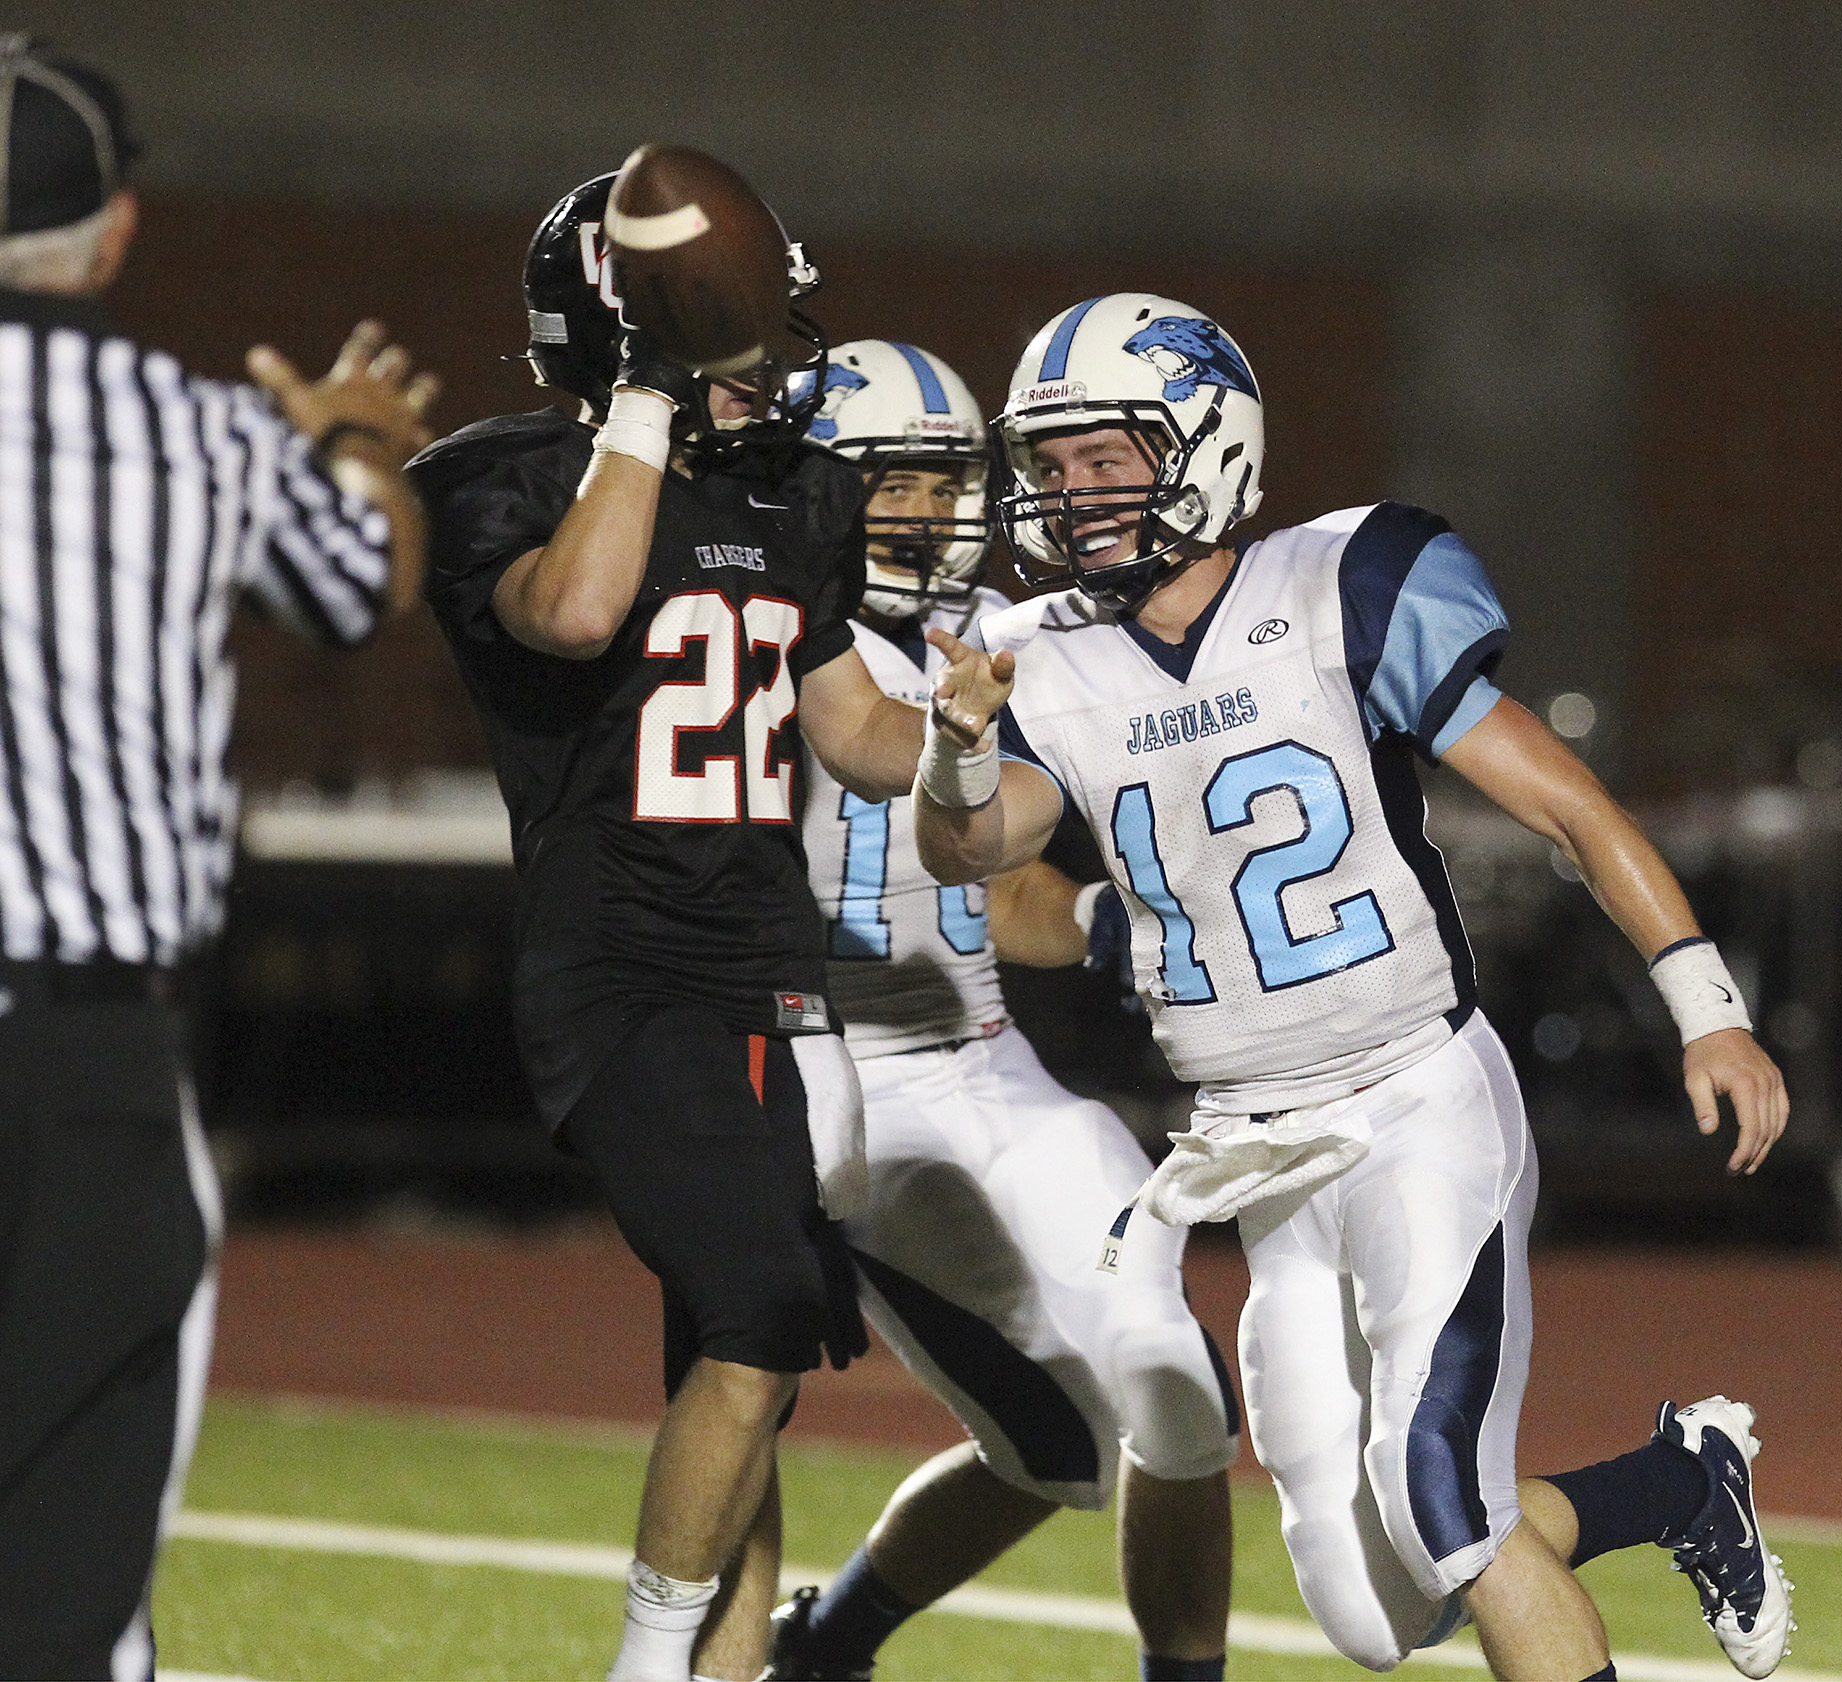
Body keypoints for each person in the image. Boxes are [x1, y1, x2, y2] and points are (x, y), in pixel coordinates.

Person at [911, 293, 1797, 1682]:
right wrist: (958, 754)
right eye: (1057, 462)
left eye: (1108, 456)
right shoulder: (1040, 653)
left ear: (1206, 440)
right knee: (1378, 1611)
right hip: (1254, 1152)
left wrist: (1708, 1006)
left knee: (1443, 1499)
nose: (1074, 494)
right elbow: (973, 850)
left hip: (1412, 1101)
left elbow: (1569, 806)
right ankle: (1677, 1483)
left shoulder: (1342, 583)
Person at [410, 177, 983, 1682]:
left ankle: (721, 1666)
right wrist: (649, 405)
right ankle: (650, 1668)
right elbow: (585, 612)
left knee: (743, 1364)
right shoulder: (502, 476)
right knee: (765, 1304)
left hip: (766, 963)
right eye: (722, 330)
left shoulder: (795, 492)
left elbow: (849, 724)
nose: (768, 362)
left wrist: (966, 735)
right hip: (617, 965)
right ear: (633, 332)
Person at [0, 36, 436, 1682]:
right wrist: (349, 440)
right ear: (112, 234)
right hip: (85, 1051)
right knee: (65, 1558)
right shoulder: (188, 437)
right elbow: (356, 588)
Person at [775, 339, 1238, 1682]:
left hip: (987, 1059)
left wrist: (1107, 923)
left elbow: (1004, 883)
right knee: (1051, 1446)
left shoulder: (1012, 633)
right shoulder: (762, 634)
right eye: (891, 483)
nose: (926, 512)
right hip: (836, 1085)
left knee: (1167, 1371)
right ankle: (820, 1642)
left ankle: (836, 1645)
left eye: (941, 479)